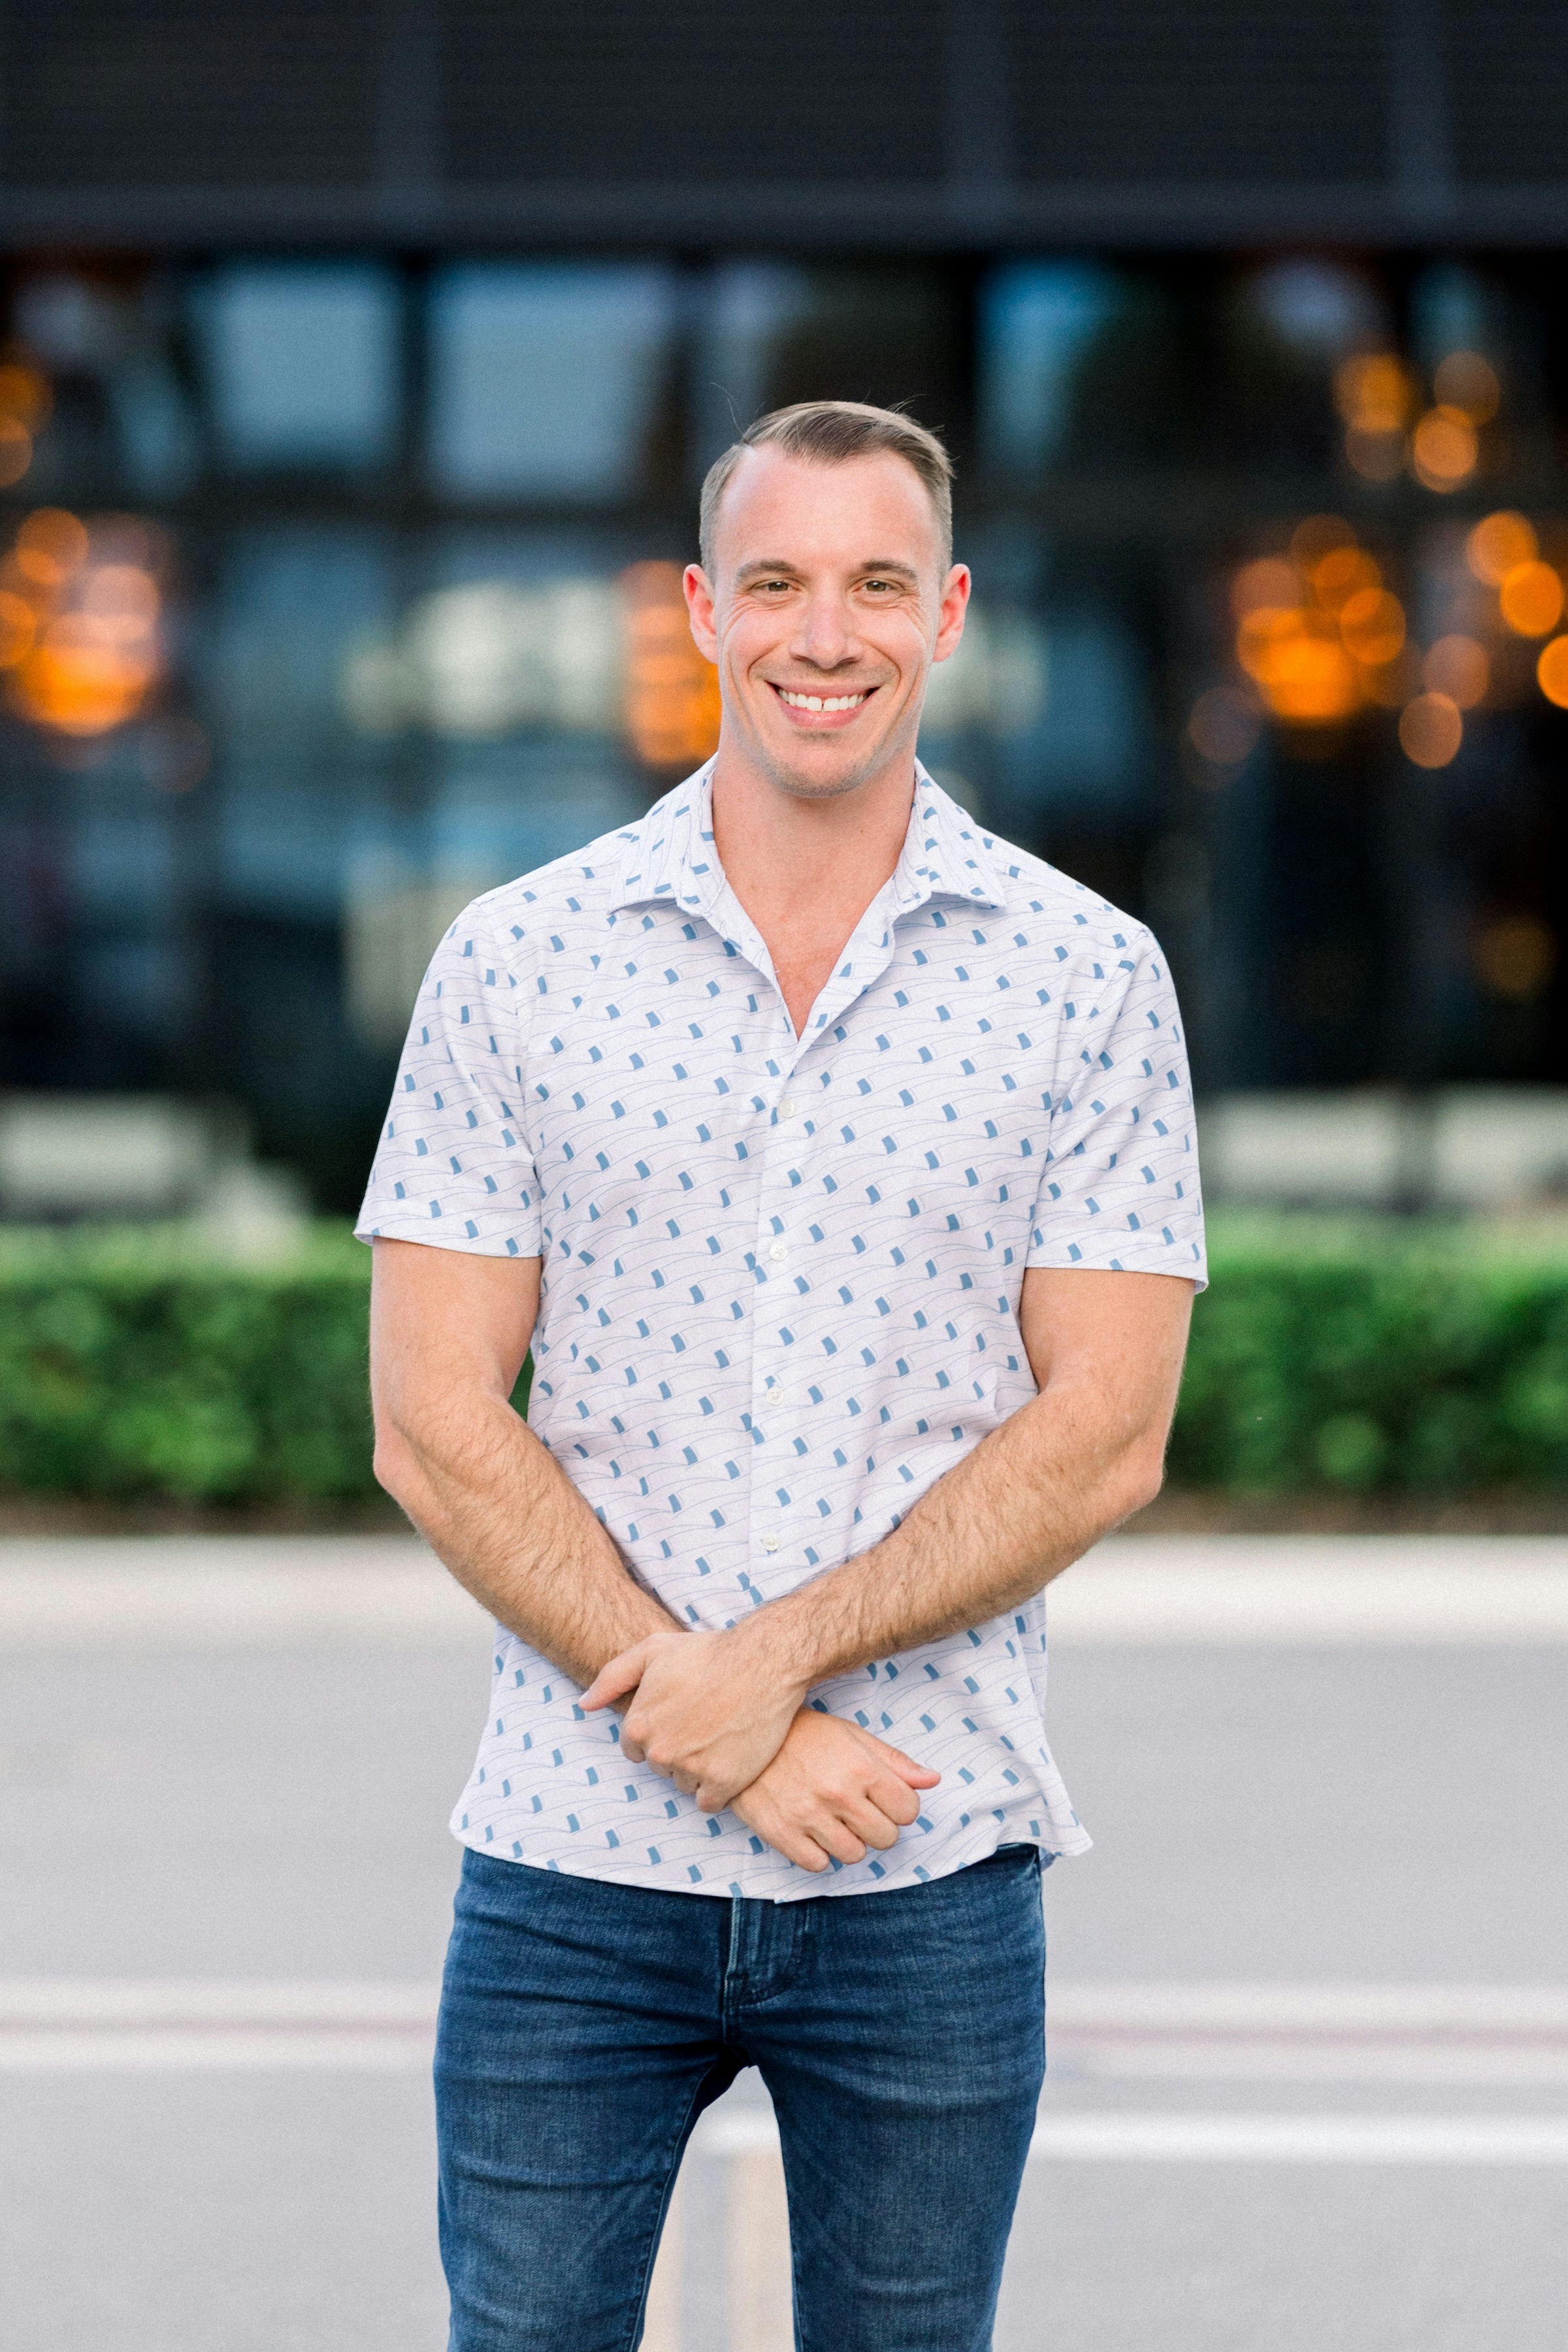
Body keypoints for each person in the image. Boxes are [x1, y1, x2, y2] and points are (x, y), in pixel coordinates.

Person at [359, 399, 1205, 2351]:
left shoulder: (1087, 977)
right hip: (571, 1870)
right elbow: (430, 1421)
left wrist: (769, 1666)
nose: (827, 634)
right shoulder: (517, 959)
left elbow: (1106, 1431)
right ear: (699, 609)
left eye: (877, 584)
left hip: (922, 1855)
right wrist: (734, 1726)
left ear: (951, 613)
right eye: (778, 583)